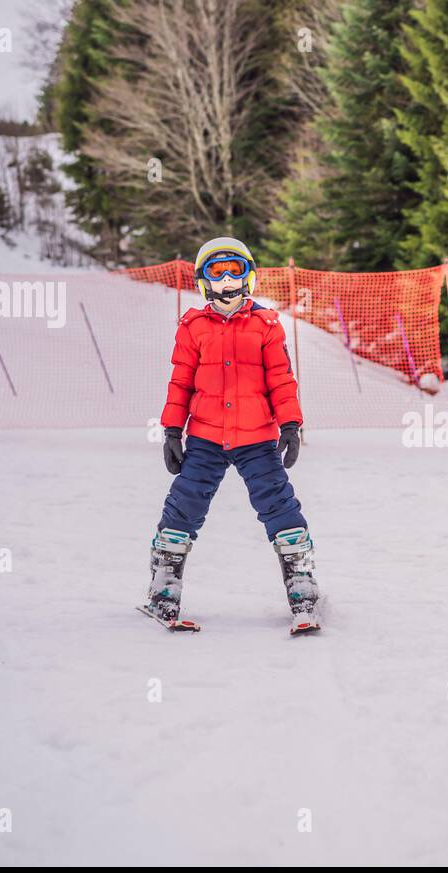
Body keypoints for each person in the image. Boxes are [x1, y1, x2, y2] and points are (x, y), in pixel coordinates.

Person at [141, 237, 321, 635]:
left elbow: (281, 379)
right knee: (183, 506)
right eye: (216, 272)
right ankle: (163, 587)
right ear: (204, 281)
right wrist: (173, 430)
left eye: (234, 270)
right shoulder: (192, 327)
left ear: (249, 276)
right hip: (205, 438)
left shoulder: (266, 325)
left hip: (256, 438)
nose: (226, 280)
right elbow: (180, 382)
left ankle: (302, 585)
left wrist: (290, 424)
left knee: (279, 505)